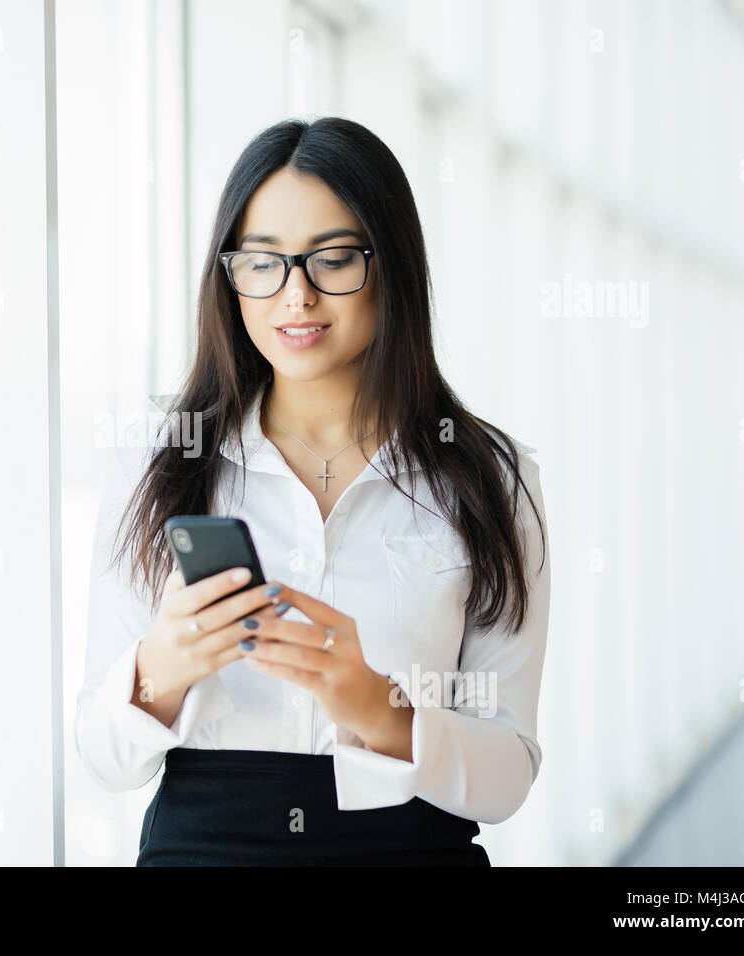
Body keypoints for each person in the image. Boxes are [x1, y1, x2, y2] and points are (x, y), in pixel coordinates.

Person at [75, 116, 550, 866]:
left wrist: (382, 710)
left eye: (331, 260)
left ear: (389, 264)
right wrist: (161, 666)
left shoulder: (489, 478)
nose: (294, 295)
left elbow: (507, 777)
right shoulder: (164, 461)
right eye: (261, 264)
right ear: (229, 279)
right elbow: (104, 760)